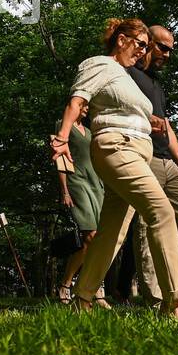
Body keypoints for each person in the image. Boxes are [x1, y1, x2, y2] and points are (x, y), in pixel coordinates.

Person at [52, 18, 178, 319]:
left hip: (137, 150)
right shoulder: (100, 65)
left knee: (111, 232)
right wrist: (63, 138)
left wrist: (151, 123)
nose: (143, 52)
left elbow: (125, 108)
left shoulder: (127, 78)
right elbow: (78, 100)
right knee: (161, 211)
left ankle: (83, 298)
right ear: (121, 40)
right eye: (141, 44)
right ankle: (174, 302)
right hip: (117, 147)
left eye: (147, 47)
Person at [125, 24, 178, 307]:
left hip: (167, 162)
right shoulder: (128, 74)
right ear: (147, 44)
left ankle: (173, 283)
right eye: (163, 47)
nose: (168, 54)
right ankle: (156, 298)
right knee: (148, 224)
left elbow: (168, 127)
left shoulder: (157, 84)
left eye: (171, 49)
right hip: (142, 156)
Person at [54, 109, 109, 306]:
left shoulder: (90, 131)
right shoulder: (63, 124)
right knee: (90, 235)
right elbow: (60, 158)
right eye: (83, 105)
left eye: (88, 106)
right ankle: (66, 284)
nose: (86, 108)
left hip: (97, 184)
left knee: (98, 239)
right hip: (77, 182)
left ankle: (91, 287)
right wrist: (65, 190)